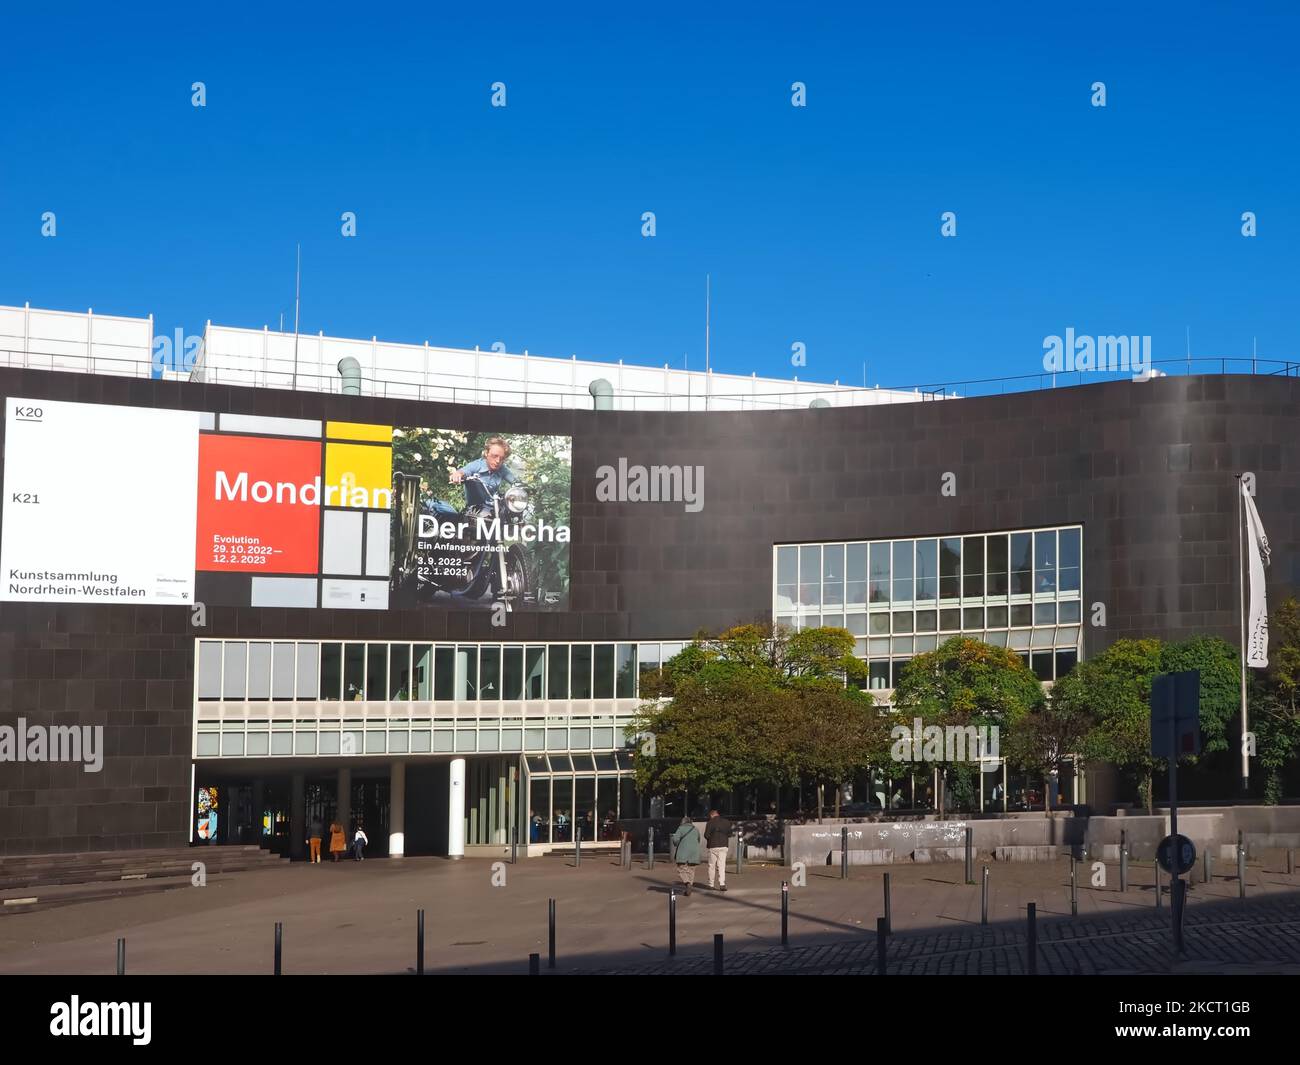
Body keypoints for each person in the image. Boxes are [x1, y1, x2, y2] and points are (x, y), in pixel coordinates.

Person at [449, 436, 517, 494]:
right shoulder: (478, 465)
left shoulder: (502, 469)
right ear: (486, 453)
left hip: (495, 506)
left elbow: (515, 482)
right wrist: (458, 474)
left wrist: (523, 487)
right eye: (494, 456)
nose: (498, 461)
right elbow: (465, 470)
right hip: (476, 508)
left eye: (502, 458)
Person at [670, 815, 701, 895]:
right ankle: (690, 884)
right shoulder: (695, 829)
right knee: (691, 869)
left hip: (683, 851)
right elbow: (699, 839)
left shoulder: (681, 828)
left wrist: (677, 843)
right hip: (694, 852)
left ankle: (687, 883)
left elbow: (675, 839)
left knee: (681, 868)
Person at [704, 809, 733, 892]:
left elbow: (706, 835)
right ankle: (722, 884)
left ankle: (711, 884)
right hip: (723, 846)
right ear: (718, 814)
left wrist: (711, 838)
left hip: (713, 846)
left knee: (711, 866)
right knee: (721, 865)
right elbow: (730, 834)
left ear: (712, 815)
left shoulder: (710, 822)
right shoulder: (726, 822)